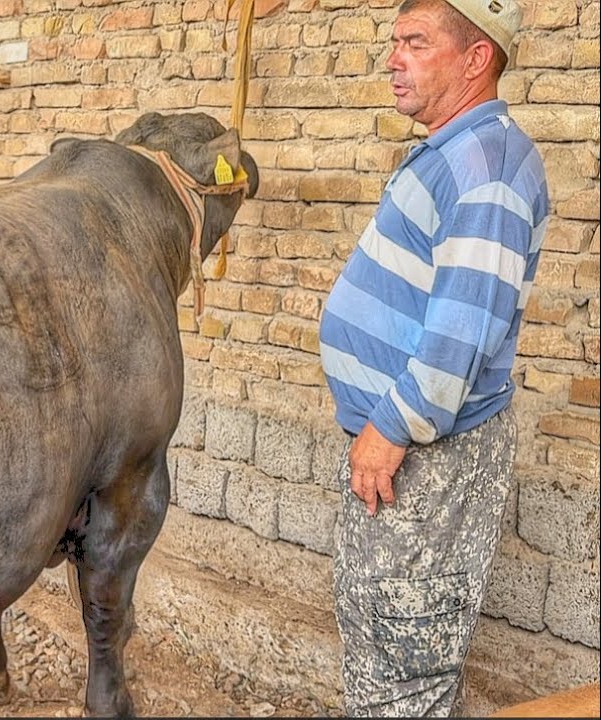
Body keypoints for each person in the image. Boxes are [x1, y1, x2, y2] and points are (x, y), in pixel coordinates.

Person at [317, 0, 549, 716]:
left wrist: (390, 428)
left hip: (426, 451)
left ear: (476, 59)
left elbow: (459, 335)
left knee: (405, 661)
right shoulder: (459, 149)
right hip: (405, 444)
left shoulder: (488, 166)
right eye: (396, 42)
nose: (394, 59)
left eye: (415, 42)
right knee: (383, 648)